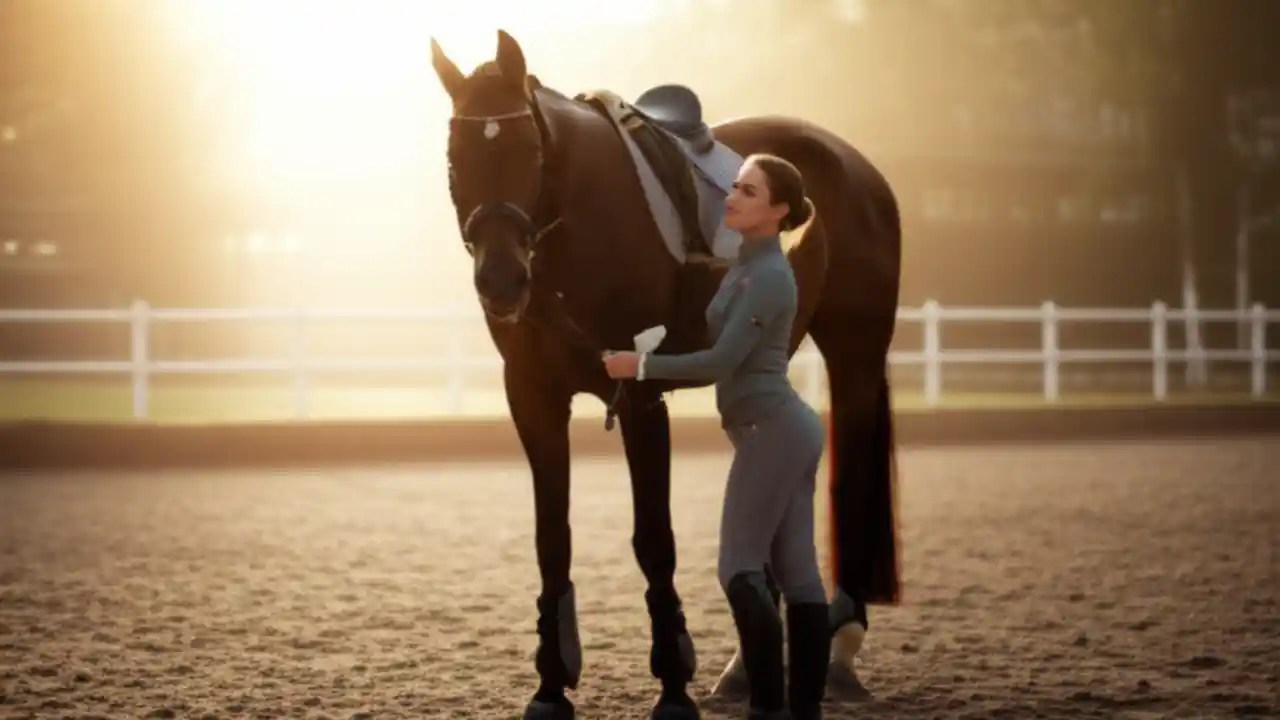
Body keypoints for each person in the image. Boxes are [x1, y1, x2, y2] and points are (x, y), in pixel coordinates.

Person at [603, 153, 828, 719]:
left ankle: (769, 709)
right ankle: (801, 712)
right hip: (778, 429)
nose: (732, 196)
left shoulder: (771, 276)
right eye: (734, 186)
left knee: (739, 567)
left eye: (748, 192)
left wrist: (642, 368)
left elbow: (725, 358)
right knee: (798, 573)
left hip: (772, 431)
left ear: (777, 211)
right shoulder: (747, 267)